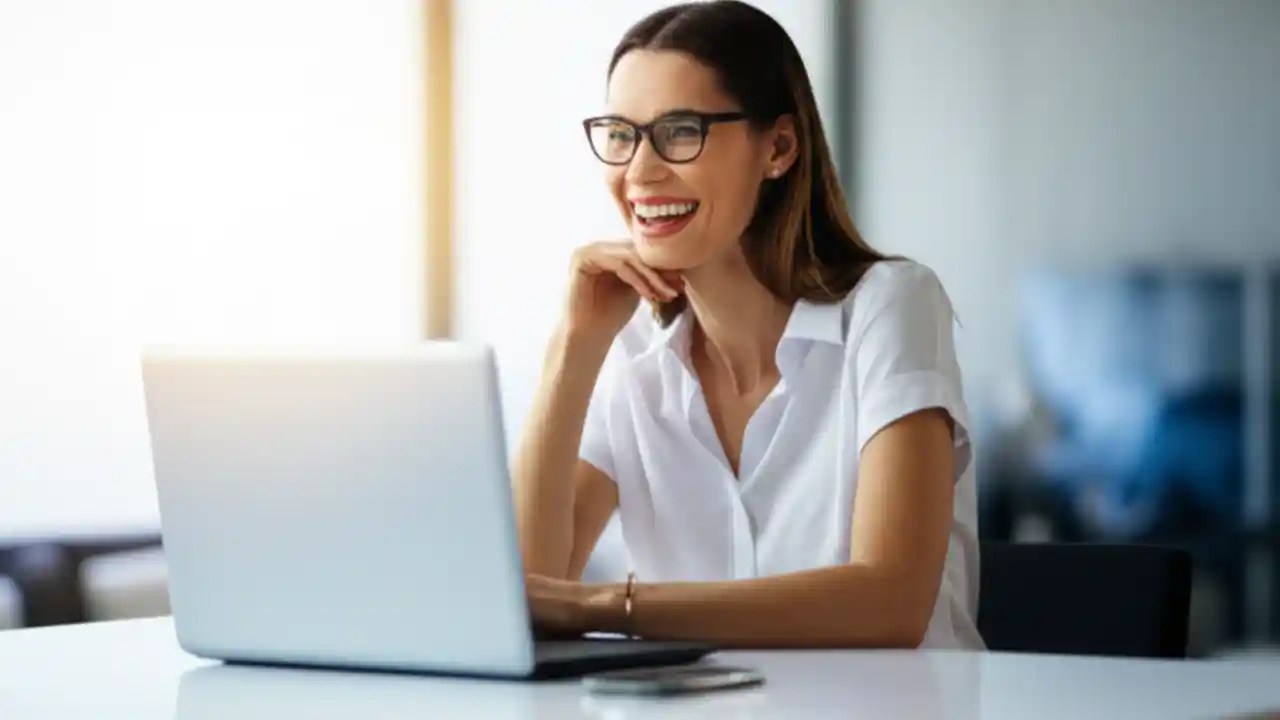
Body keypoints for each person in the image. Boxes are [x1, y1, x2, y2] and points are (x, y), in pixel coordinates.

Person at [512, 0, 982, 650]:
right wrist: (573, 346)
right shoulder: (633, 357)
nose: (639, 172)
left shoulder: (890, 305)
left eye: (680, 131)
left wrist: (608, 605)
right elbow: (523, 595)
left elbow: (890, 600)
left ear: (779, 148)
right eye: (621, 134)